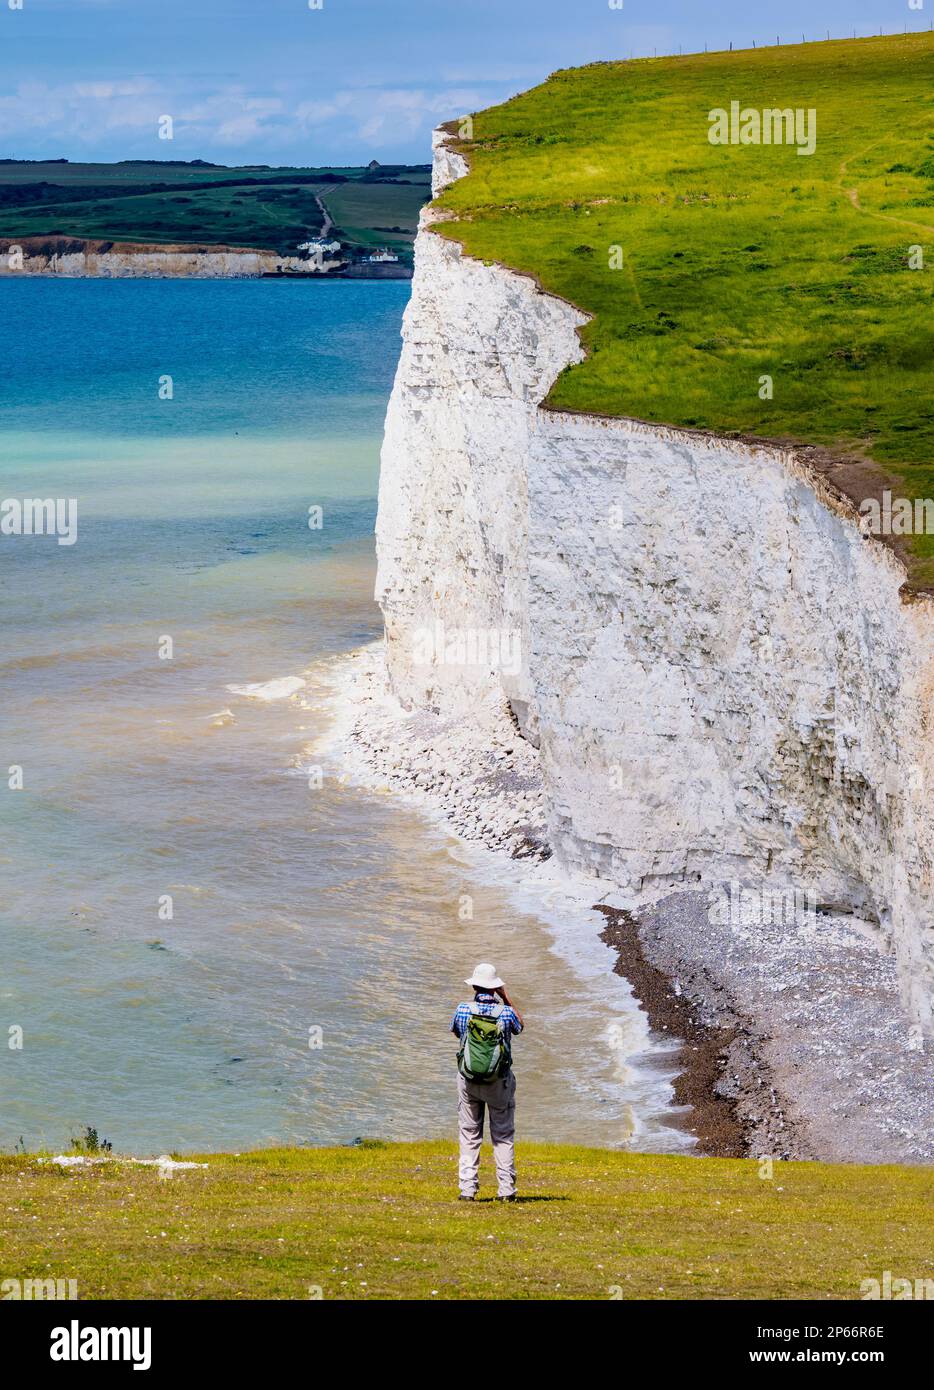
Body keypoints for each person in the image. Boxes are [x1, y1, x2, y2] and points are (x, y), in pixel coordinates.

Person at [450, 962, 523, 1202]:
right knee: (502, 1134)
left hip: (469, 1080)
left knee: (470, 1133)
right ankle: (506, 1191)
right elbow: (520, 1027)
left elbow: (457, 1033)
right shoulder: (506, 1012)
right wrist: (507, 998)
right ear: (494, 988)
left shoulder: (462, 1009)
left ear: (474, 986)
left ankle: (468, 1190)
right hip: (499, 1081)